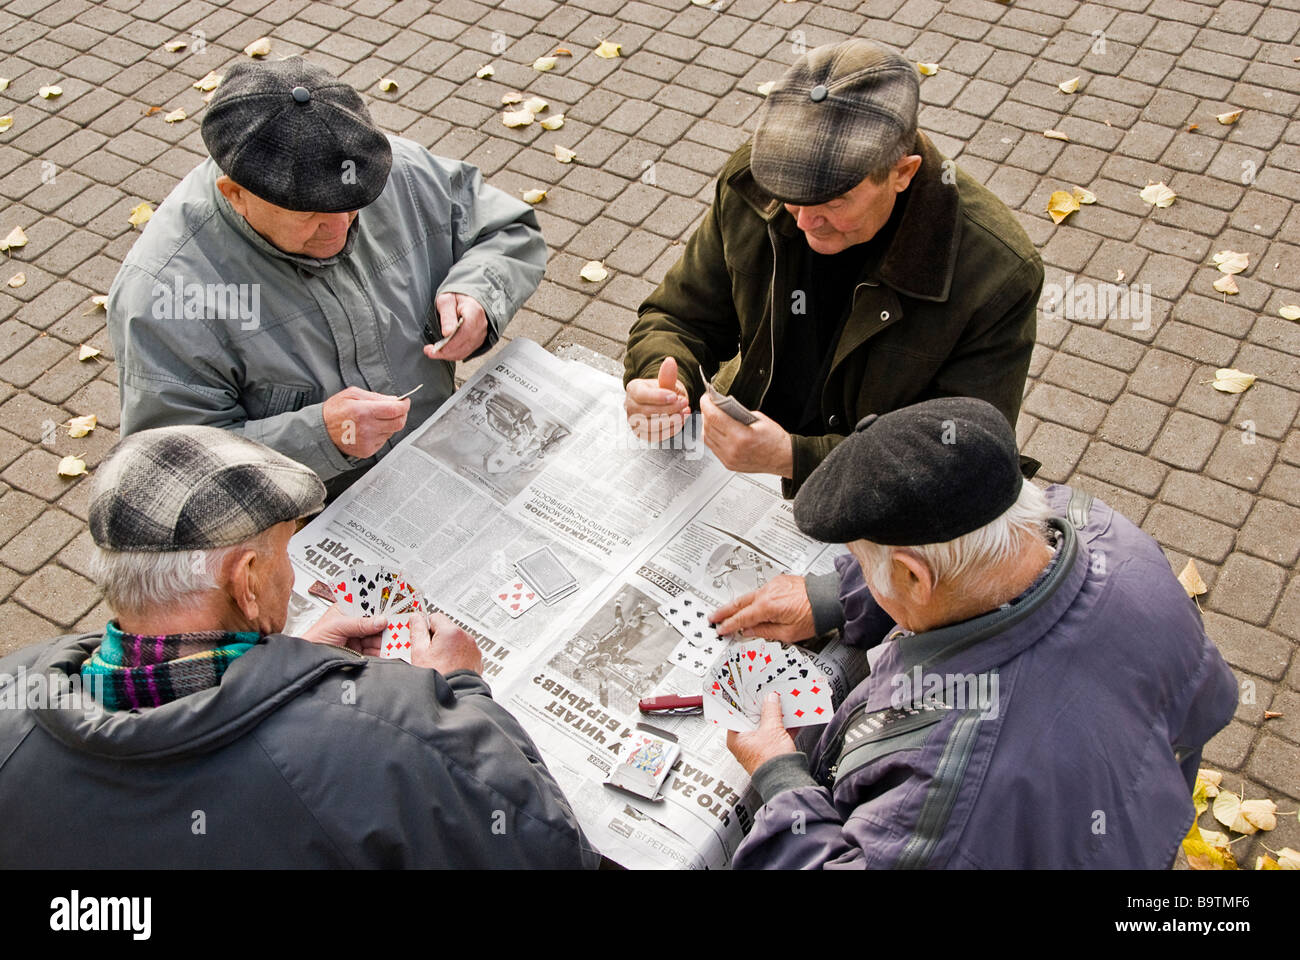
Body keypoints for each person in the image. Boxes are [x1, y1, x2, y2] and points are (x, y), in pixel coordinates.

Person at [0, 426, 597, 869]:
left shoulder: (15, 684)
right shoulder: (388, 739)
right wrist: (461, 691)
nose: (292, 568)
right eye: (287, 547)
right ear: (248, 581)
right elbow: (547, 846)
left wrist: (281, 669)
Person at [711, 398, 1237, 868]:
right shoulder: (1101, 529)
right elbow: (971, 552)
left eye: (860, 561)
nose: (856, 567)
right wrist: (835, 597)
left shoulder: (945, 782)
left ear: (914, 577)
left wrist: (780, 779)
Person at [107, 58, 546, 498]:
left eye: (352, 203)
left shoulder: (375, 168)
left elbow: (508, 230)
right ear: (235, 194)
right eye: (310, 213)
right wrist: (319, 436)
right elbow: (172, 473)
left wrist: (478, 292)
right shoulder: (165, 297)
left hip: (435, 470)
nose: (339, 228)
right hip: (297, 519)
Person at [623, 39, 1042, 497]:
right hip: (745, 454)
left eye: (834, 202)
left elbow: (962, 456)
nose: (803, 222)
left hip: (880, 498)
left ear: (903, 172)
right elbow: (680, 315)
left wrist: (794, 458)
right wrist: (660, 381)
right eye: (793, 199)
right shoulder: (762, 179)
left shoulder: (997, 273)